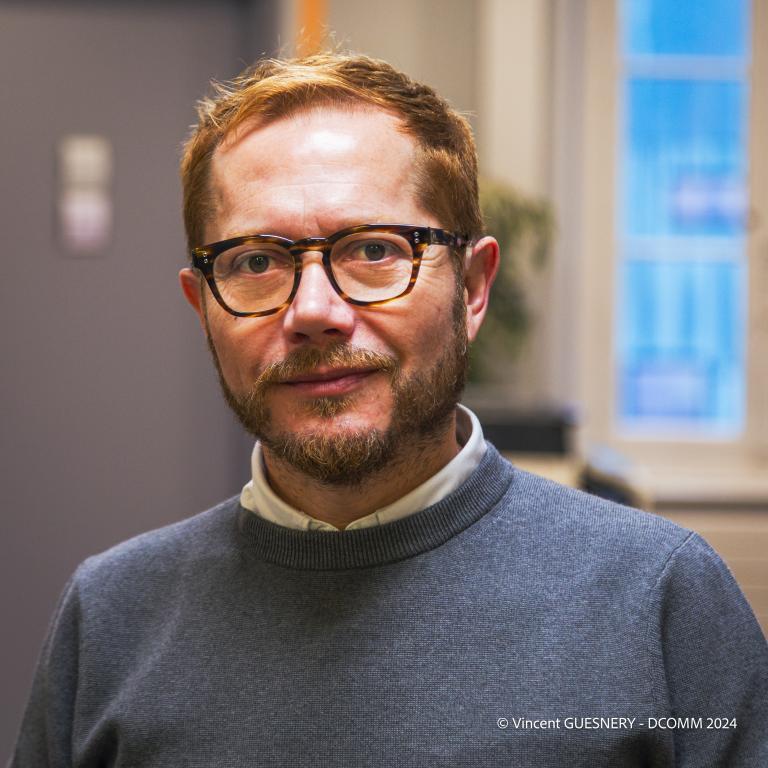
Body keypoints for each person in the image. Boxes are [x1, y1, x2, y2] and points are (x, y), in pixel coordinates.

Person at [11, 53, 768, 767]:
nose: (313, 311)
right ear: (202, 304)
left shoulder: (658, 599)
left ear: (472, 287)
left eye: (373, 250)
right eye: (255, 262)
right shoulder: (111, 617)